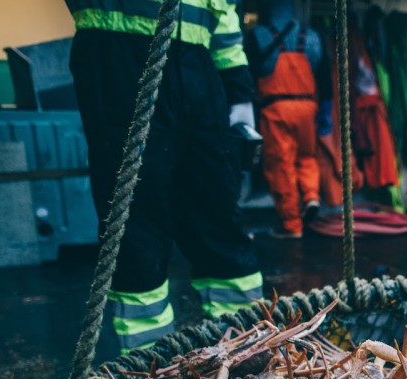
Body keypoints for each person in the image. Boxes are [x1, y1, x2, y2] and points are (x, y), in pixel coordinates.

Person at [65, 0, 263, 353]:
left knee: (218, 211)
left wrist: (237, 87)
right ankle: (148, 364)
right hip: (118, 53)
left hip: (199, 65)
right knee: (137, 221)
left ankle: (247, 348)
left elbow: (225, 17)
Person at [246, 0, 333, 239]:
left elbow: (248, 77)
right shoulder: (312, 36)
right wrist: (326, 112)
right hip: (308, 107)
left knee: (280, 165)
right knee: (307, 156)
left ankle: (291, 224)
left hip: (276, 108)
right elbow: (325, 79)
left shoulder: (258, 36)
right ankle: (311, 197)